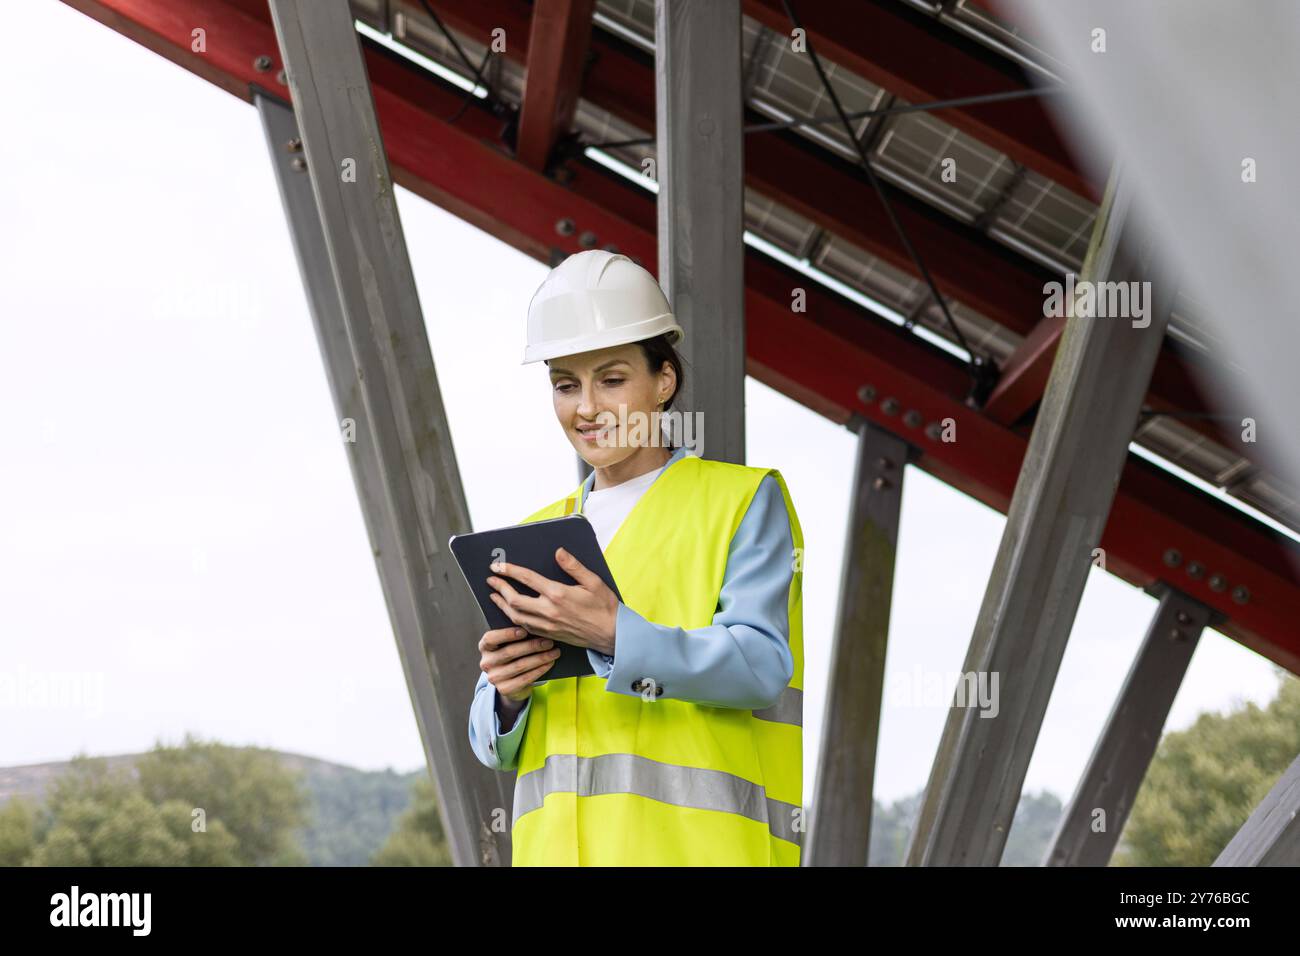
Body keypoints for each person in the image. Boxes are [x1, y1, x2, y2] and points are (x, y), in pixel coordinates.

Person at [466, 250, 805, 866]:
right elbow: (495, 746)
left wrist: (612, 632)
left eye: (612, 379)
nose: (587, 407)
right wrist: (505, 693)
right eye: (565, 384)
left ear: (664, 381)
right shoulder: (535, 532)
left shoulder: (741, 501)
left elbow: (760, 667)